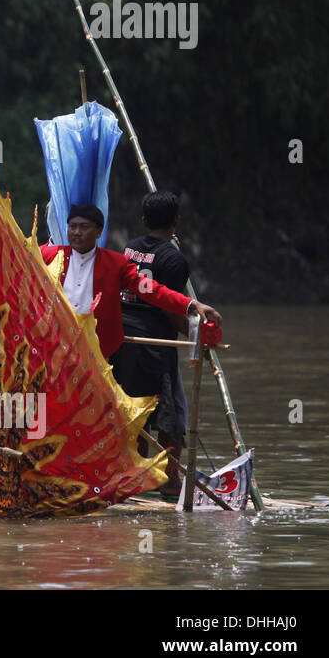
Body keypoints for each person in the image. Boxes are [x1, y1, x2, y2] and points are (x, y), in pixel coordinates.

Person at [40, 203, 221, 364]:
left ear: (99, 232)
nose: (76, 232)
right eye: (72, 226)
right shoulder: (49, 255)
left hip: (98, 352)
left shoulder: (115, 264)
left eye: (84, 227)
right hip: (55, 346)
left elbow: (152, 290)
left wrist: (191, 305)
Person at [111, 191, 193, 494]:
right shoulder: (174, 259)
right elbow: (170, 311)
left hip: (124, 341)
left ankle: (136, 476)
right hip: (156, 346)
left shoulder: (130, 249)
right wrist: (197, 337)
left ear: (144, 220)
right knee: (172, 415)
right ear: (177, 221)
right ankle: (170, 481)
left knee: (136, 410)